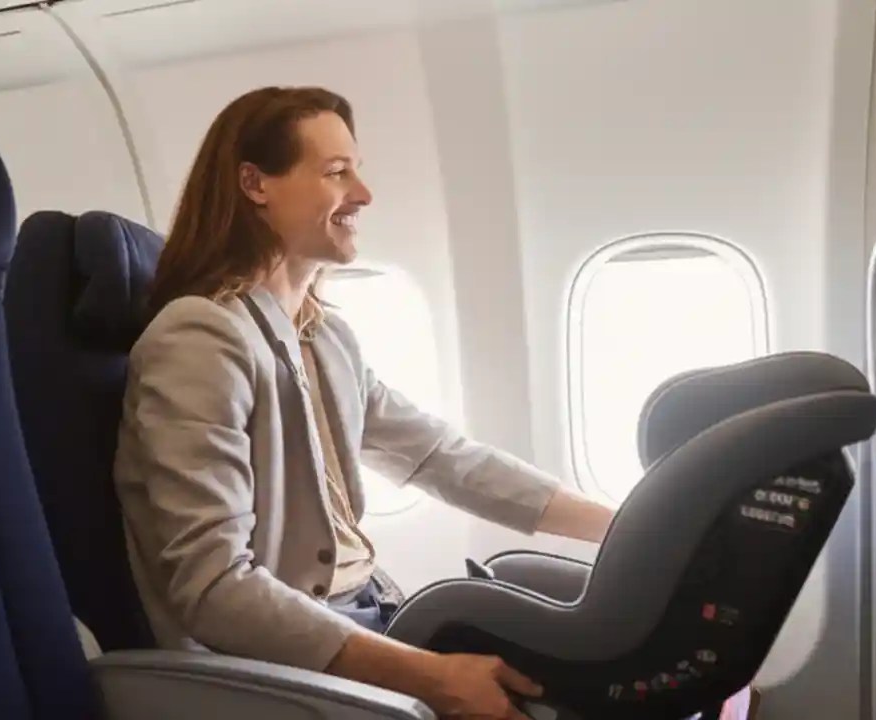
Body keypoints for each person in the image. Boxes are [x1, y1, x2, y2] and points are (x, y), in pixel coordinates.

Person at [113, 85, 616, 719]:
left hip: (366, 609)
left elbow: (442, 458)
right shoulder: (200, 339)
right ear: (255, 184)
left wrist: (618, 527)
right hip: (270, 665)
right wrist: (432, 677)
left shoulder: (324, 336)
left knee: (594, 669)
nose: (364, 194)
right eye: (336, 172)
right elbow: (213, 588)